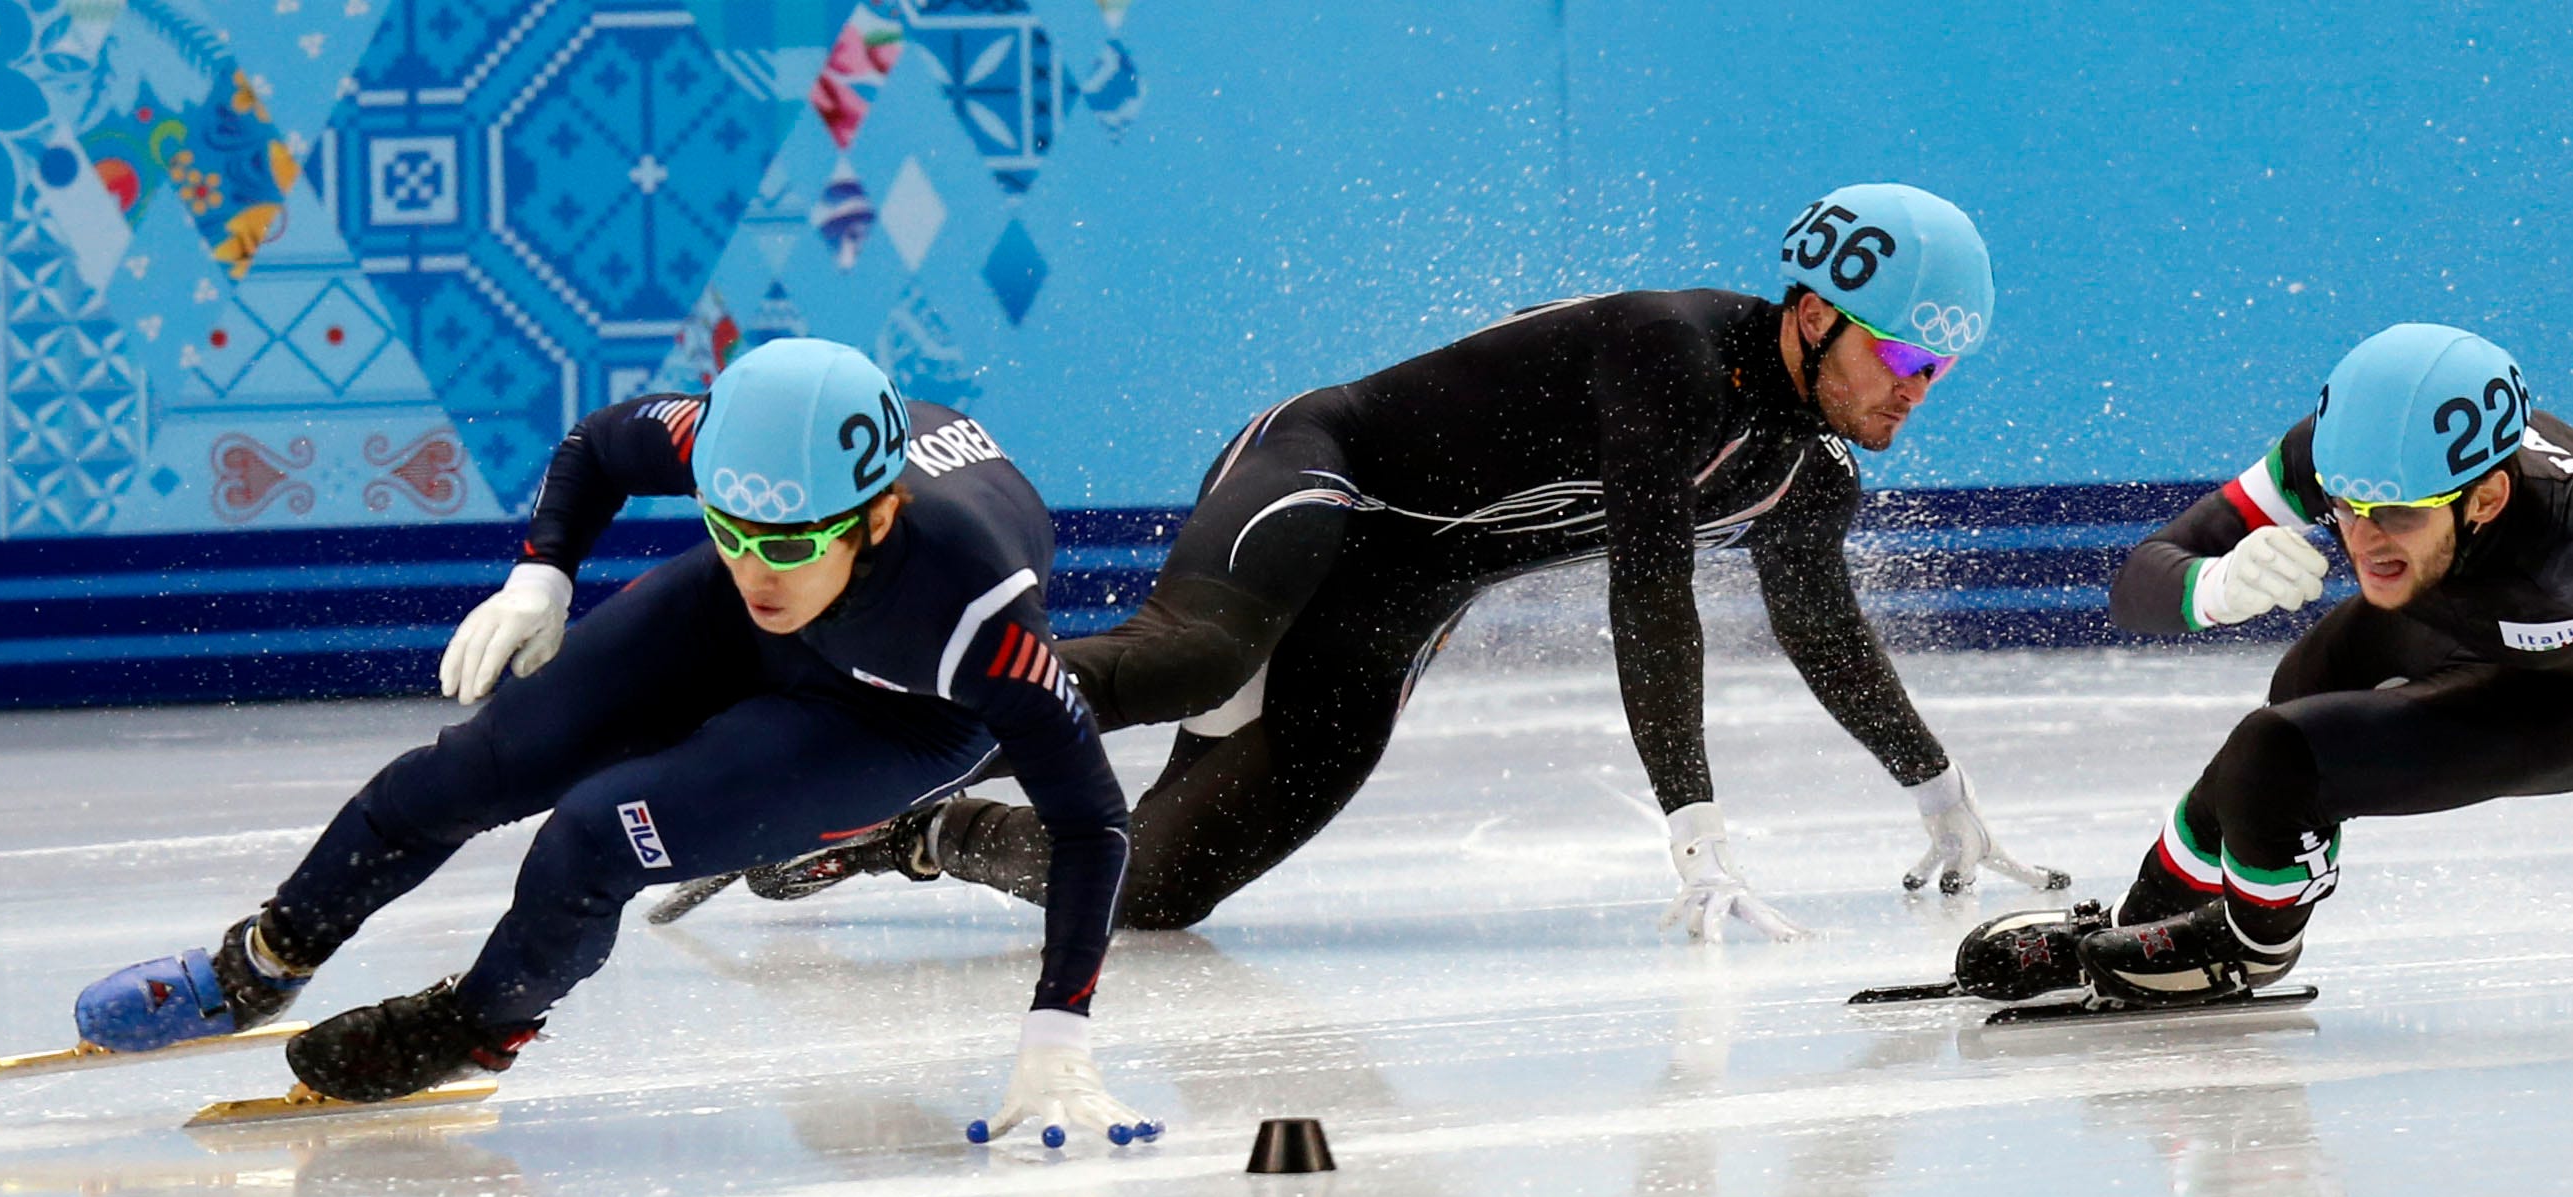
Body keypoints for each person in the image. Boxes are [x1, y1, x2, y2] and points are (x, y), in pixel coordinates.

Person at [742, 183, 2063, 936]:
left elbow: (1821, 629)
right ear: (1816, 309)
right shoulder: (1675, 348)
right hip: (1322, 472)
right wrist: (1694, 821)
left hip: (1401, 590)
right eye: (1897, 353)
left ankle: (912, 829)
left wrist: (1937, 787)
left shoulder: (1803, 473)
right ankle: (823, 730)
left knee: (1155, 889)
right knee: (1195, 655)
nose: (1914, 391)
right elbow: (1648, 583)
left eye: (1935, 368)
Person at [71, 338, 1151, 1145]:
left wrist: (1061, 1027)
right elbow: (597, 445)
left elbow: (1095, 821)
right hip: (772, 631)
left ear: (874, 517)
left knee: (593, 835)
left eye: (785, 541)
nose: (755, 565)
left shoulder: (981, 619)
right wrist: (543, 571)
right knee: (471, 768)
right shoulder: (748, 460)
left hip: (897, 708)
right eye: (726, 528)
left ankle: (481, 1024)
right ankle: (261, 960)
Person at [1954, 322, 2573, 1008]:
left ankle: (2251, 944)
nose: (2365, 538)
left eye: (2398, 513)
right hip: (2446, 615)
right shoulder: (2340, 451)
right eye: (2345, 508)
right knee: (2293, 701)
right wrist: (2209, 586)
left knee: (2281, 752)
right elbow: (2137, 582)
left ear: (2488, 496)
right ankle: (2149, 914)